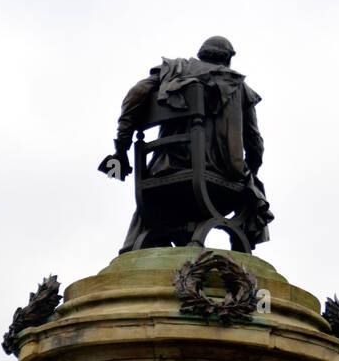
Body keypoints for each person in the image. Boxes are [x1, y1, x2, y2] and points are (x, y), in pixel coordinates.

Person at [99, 36, 273, 250]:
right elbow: (255, 144)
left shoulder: (175, 69)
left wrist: (121, 149)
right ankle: (242, 262)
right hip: (221, 184)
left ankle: (133, 247)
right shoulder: (240, 87)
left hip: (163, 177)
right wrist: (252, 172)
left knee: (154, 207)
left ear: (201, 54)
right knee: (254, 192)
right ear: (228, 60)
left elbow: (136, 95)